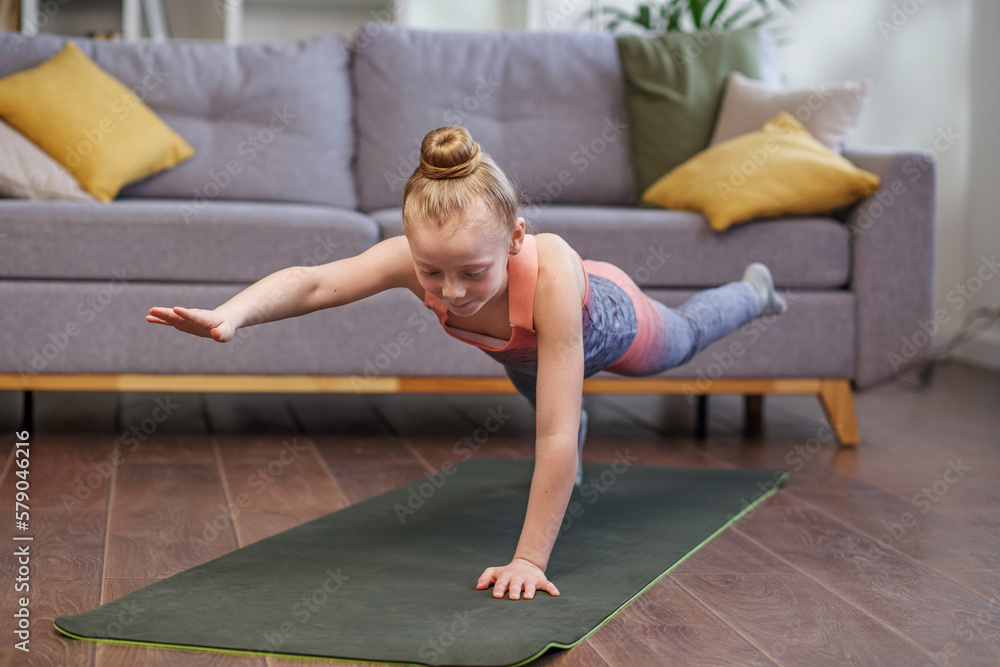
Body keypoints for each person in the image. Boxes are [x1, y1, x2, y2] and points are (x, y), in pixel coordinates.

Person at [146, 125, 787, 603]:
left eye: (472, 272)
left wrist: (529, 560)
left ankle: (753, 293)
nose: (449, 292)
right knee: (543, 394)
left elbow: (558, 435)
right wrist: (233, 314)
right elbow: (314, 283)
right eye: (431, 272)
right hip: (521, 351)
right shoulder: (417, 263)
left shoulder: (554, 274)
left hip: (608, 324)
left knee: (680, 346)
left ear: (514, 239)